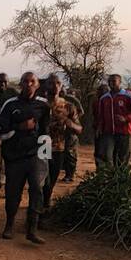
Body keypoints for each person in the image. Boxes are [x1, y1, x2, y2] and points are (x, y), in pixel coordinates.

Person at [0, 72, 51, 244]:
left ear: (37, 85)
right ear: (20, 84)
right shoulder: (10, 104)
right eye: (25, 81)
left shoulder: (43, 105)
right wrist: (20, 126)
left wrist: (46, 158)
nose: (28, 84)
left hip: (36, 155)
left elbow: (45, 132)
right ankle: (9, 225)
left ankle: (32, 229)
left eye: (32, 81)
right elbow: (1, 128)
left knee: (36, 188)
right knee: (13, 192)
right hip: (14, 156)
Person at [40, 76, 82, 213]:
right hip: (43, 144)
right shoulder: (39, 105)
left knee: (52, 177)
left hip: (59, 146)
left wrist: (71, 125)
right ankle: (41, 204)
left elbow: (79, 129)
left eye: (58, 83)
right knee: (42, 178)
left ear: (61, 85)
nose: (55, 86)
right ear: (46, 86)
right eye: (51, 83)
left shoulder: (68, 106)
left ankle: (45, 203)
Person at [94, 74, 131, 168]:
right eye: (109, 81)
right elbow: (100, 116)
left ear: (120, 82)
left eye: (114, 81)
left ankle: (122, 180)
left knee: (122, 159)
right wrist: (99, 127)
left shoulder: (128, 95)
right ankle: (109, 180)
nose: (111, 83)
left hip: (124, 133)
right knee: (107, 157)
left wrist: (126, 118)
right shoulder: (104, 98)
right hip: (108, 133)